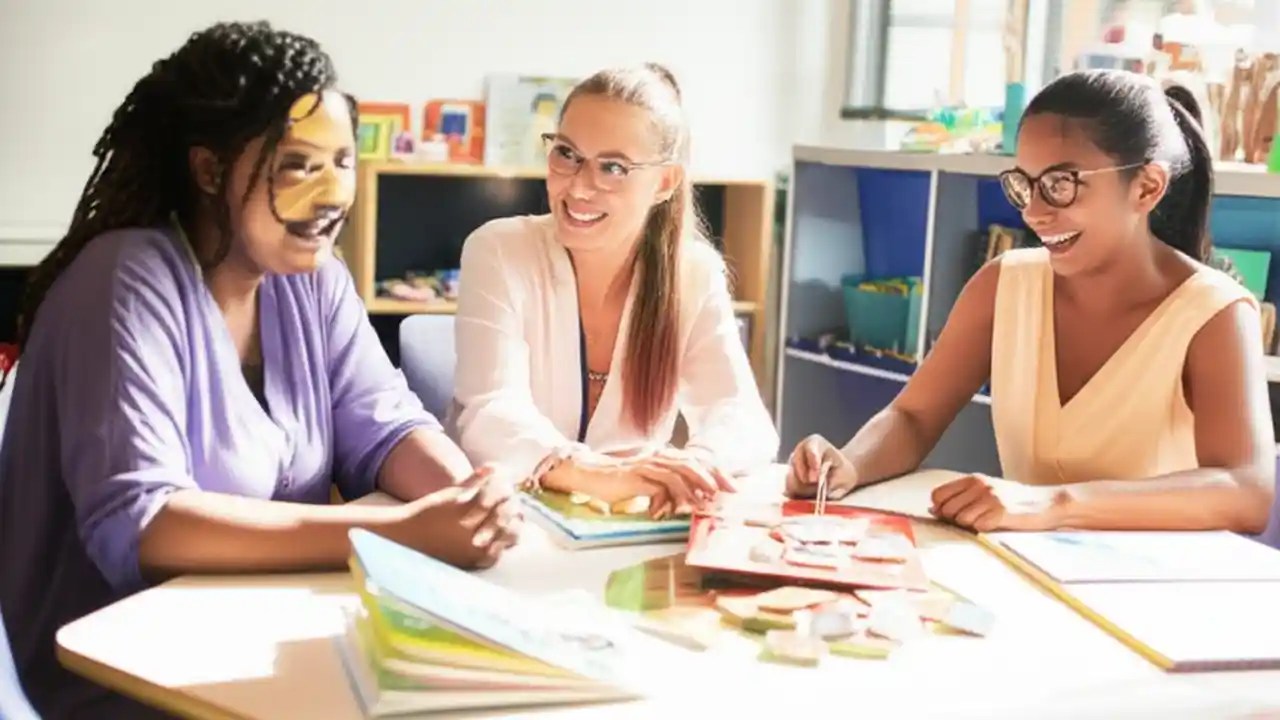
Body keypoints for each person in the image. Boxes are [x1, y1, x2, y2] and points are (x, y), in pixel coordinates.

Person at [0, 21, 521, 718]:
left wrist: (470, 498)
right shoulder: (124, 279)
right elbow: (145, 526)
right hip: (126, 682)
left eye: (343, 161)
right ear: (210, 169)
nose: (332, 195)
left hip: (258, 636)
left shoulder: (312, 278)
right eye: (297, 165)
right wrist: (402, 536)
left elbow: (385, 427)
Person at [787, 69, 1275, 534]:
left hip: (1156, 591)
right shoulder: (1004, 284)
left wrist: (1056, 503)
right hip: (1037, 570)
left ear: (1146, 187)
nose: (1034, 212)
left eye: (1061, 185)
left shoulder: (1214, 314)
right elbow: (913, 417)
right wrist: (849, 463)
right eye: (1025, 183)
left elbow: (1245, 490)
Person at [448, 63, 779, 519]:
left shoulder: (694, 274)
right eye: (567, 154)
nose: (580, 187)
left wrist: (697, 465)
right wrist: (593, 474)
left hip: (628, 525)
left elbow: (741, 416)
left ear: (664, 183)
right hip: (504, 518)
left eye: (614, 167)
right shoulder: (499, 250)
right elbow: (488, 411)